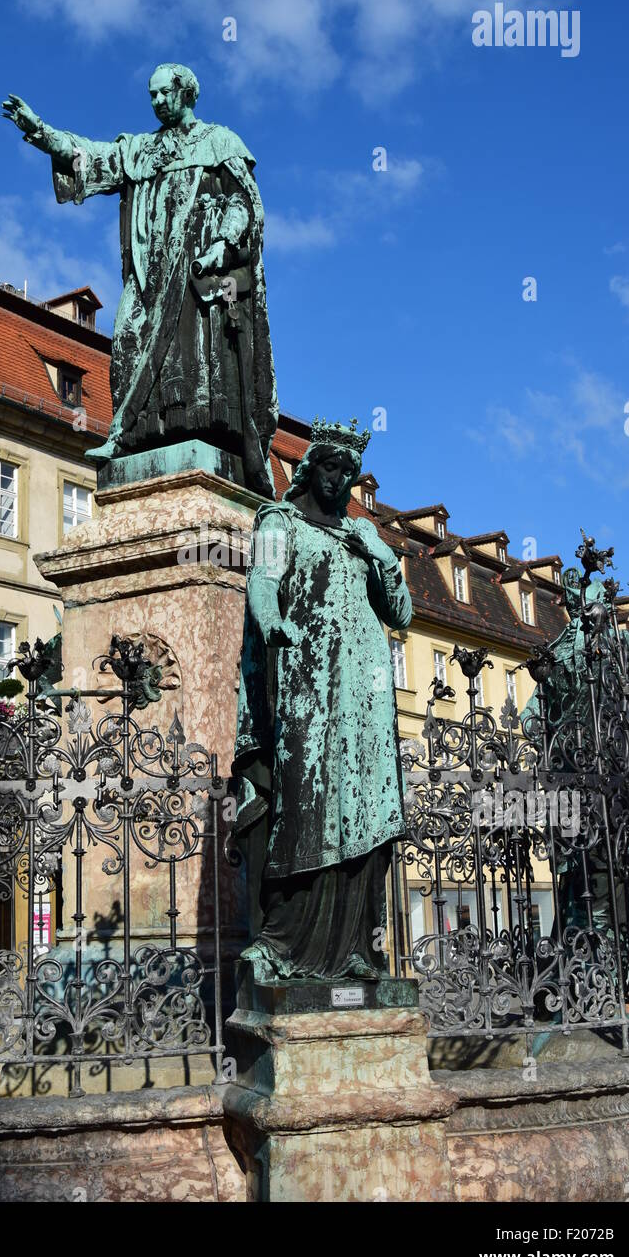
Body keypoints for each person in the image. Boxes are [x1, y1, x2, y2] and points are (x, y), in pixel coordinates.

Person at [2, 63, 278, 496]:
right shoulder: (139, 150)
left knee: (193, 357)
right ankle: (132, 434)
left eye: (164, 93)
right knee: (129, 338)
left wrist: (223, 241)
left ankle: (198, 437)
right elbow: (88, 157)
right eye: (151, 95)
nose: (156, 102)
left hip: (195, 274)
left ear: (186, 93)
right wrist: (40, 132)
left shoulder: (221, 143)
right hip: (147, 278)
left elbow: (244, 203)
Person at [232, 419, 413, 979]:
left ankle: (359, 946)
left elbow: (401, 615)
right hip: (308, 685)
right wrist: (272, 622)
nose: (340, 481)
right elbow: (261, 580)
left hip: (365, 698)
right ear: (310, 469)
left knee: (365, 812)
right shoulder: (278, 520)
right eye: (330, 468)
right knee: (305, 806)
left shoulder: (360, 537)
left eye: (349, 473)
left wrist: (381, 552)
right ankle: (283, 942)